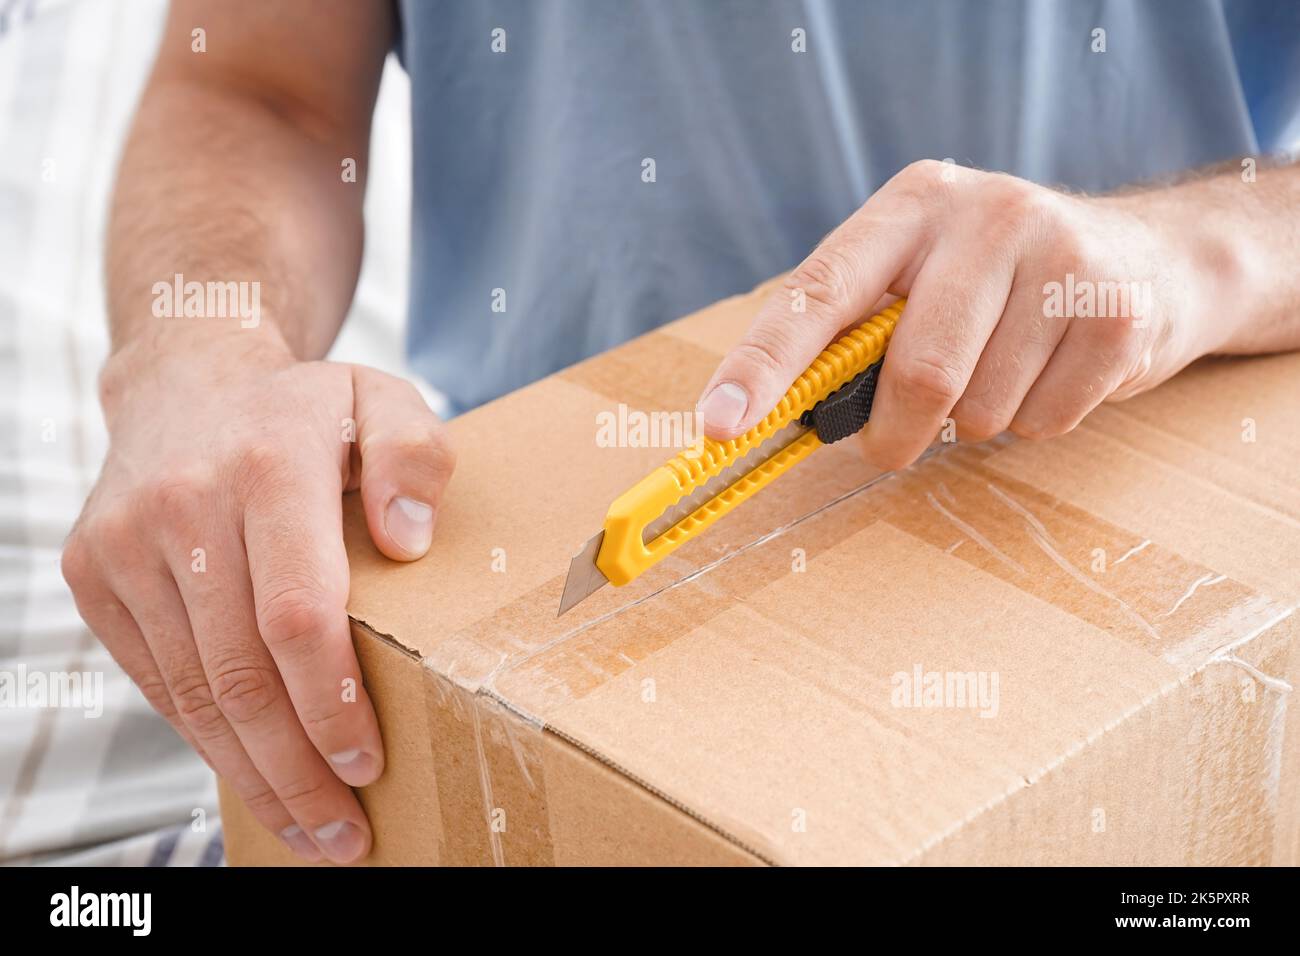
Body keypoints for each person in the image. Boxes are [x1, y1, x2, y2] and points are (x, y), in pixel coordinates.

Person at [63, 0, 1300, 864]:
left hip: (1144, 458)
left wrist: (1181, 246)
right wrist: (195, 352)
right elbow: (256, 84)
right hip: (506, 500)